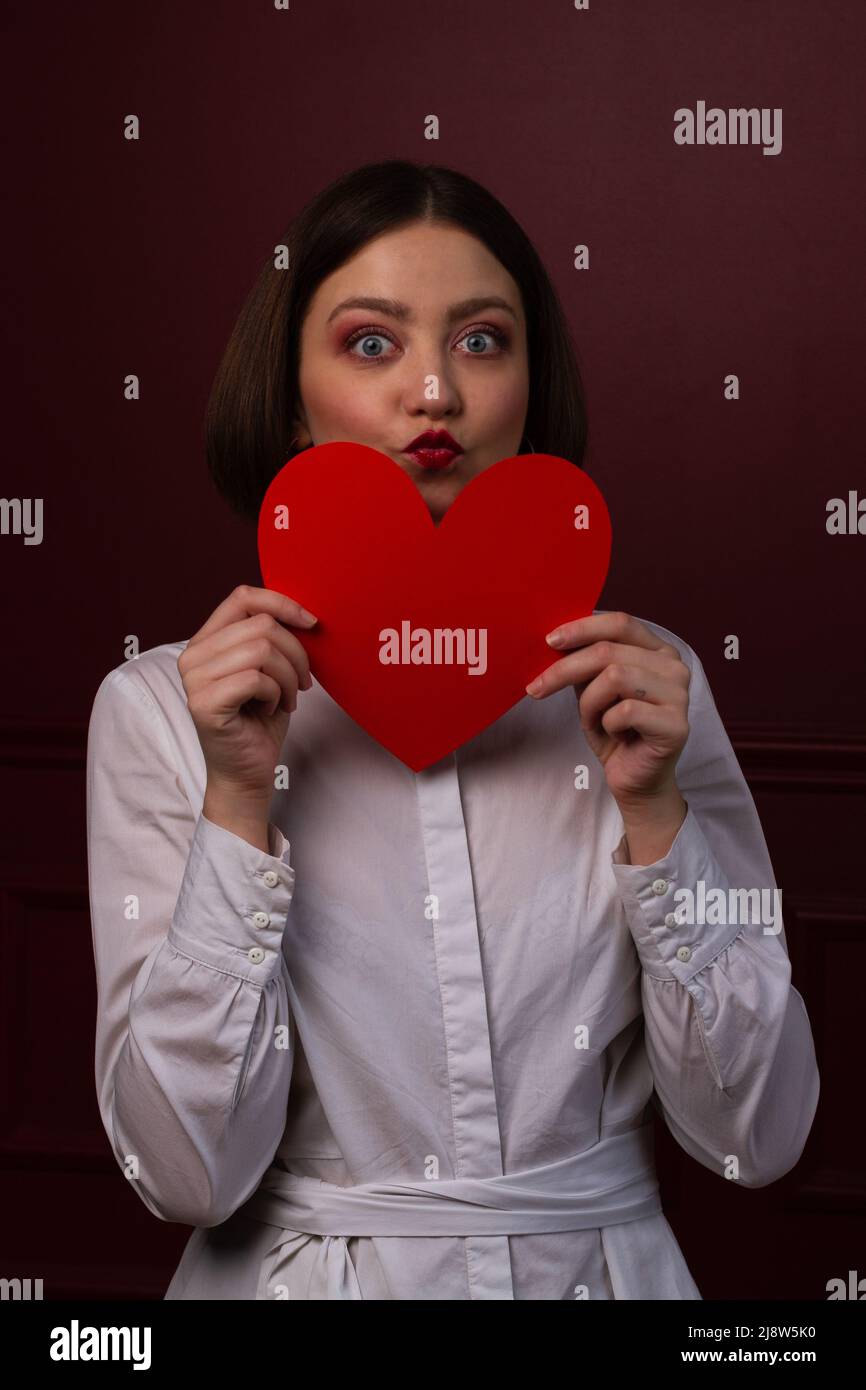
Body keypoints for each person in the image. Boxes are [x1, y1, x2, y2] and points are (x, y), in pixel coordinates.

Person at [86, 159, 820, 1300]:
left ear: (531, 383)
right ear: (288, 394)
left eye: (480, 341)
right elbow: (184, 1174)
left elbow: (757, 1134)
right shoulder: (160, 710)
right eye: (371, 343)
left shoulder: (642, 691)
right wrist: (237, 802)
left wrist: (654, 813)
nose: (433, 392)